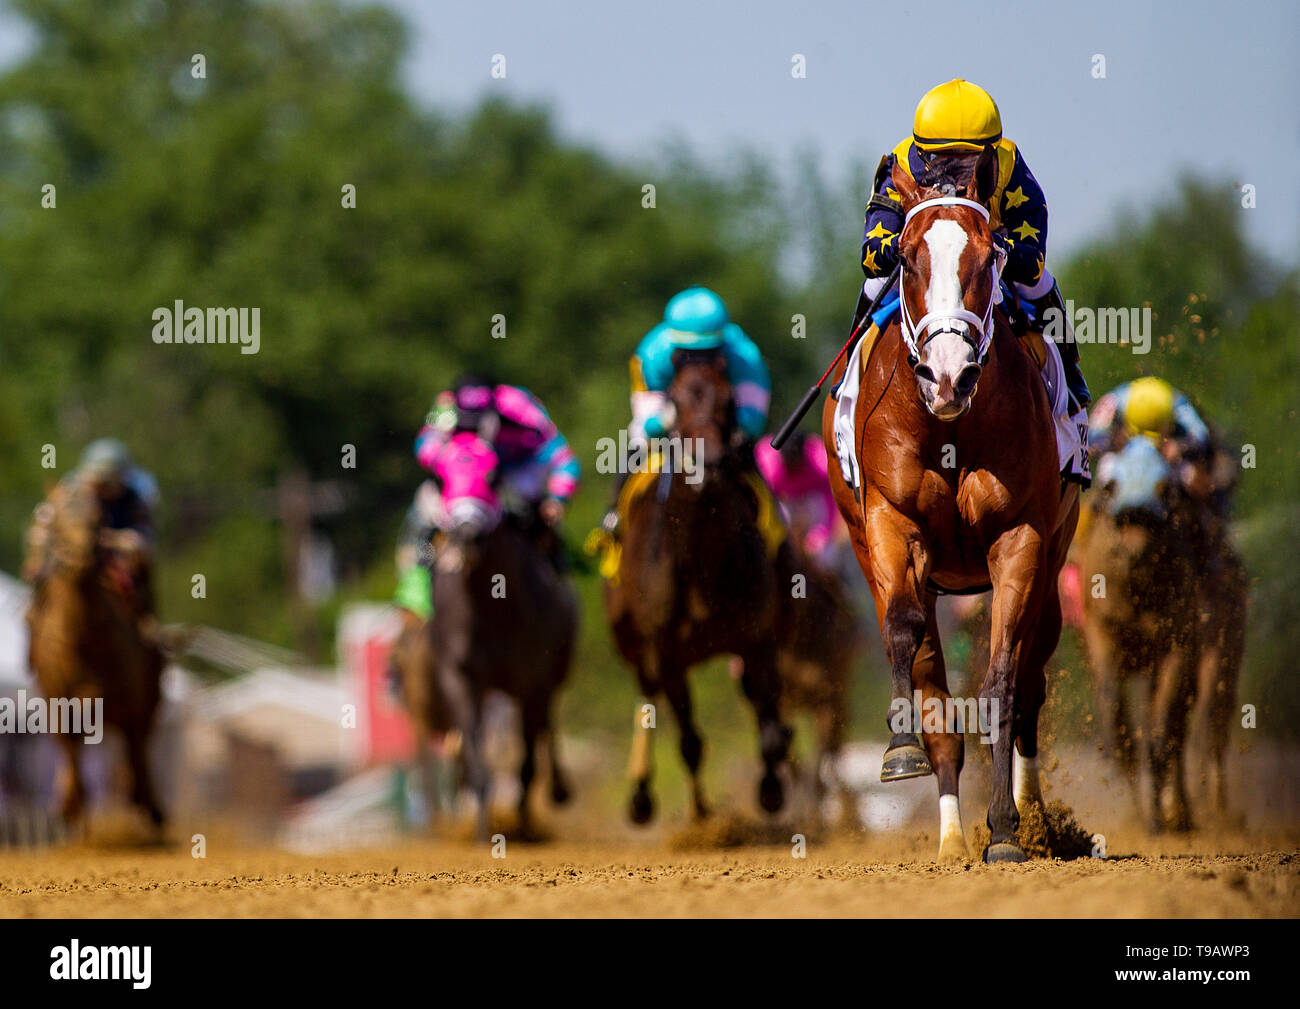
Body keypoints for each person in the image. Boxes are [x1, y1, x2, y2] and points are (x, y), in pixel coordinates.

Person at [859, 79, 1091, 420]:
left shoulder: (1011, 167)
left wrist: (990, 248)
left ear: (990, 155)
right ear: (921, 152)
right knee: (875, 286)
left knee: (1037, 282)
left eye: (969, 161)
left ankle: (1071, 382)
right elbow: (870, 255)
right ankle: (850, 376)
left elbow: (1031, 258)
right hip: (922, 261)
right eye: (943, 160)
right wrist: (907, 247)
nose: (956, 174)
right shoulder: (900, 167)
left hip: (984, 258)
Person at [393, 374, 579, 620]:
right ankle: (414, 594)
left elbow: (564, 460)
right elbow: (424, 446)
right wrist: (451, 460)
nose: (474, 428)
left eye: (479, 422)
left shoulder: (520, 407)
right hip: (466, 473)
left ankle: (556, 576)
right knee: (423, 510)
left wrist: (556, 499)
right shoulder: (445, 405)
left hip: (517, 472)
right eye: (467, 422)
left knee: (537, 516)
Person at [600, 286, 770, 535]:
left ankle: (776, 537)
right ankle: (614, 514)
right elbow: (648, 426)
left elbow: (752, 423)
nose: (699, 363)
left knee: (752, 466)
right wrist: (676, 417)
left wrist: (718, 424)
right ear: (674, 348)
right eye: (689, 355)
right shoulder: (652, 355)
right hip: (673, 425)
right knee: (638, 444)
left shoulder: (746, 357)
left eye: (708, 354)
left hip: (725, 429)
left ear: (722, 348)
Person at [24, 438, 159, 623]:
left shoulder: (133, 500)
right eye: (96, 481)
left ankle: (145, 623)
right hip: (72, 555)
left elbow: (141, 542)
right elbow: (42, 524)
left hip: (114, 559)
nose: (99, 488)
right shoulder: (71, 493)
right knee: (47, 573)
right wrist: (37, 558)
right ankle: (35, 611)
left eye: (105, 483)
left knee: (137, 568)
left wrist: (110, 540)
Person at [754, 432, 841, 565]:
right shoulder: (766, 462)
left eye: (795, 461)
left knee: (825, 557)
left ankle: (831, 575)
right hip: (782, 503)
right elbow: (764, 500)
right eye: (788, 462)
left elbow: (830, 497)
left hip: (811, 503)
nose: (792, 466)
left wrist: (821, 533)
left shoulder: (819, 460)